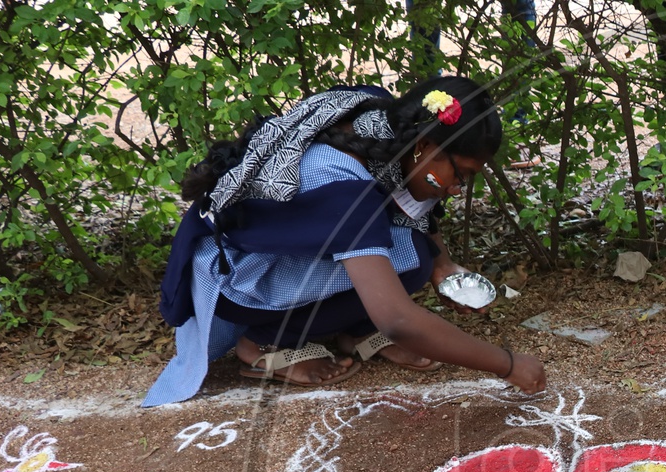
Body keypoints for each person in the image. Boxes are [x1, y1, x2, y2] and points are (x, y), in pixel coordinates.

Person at [149, 75, 544, 406]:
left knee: (419, 257)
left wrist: (444, 266)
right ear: (425, 146)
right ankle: (262, 343)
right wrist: (507, 364)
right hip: (234, 279)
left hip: (265, 248)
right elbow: (398, 318)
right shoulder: (344, 187)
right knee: (401, 273)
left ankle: (355, 330)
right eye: (460, 174)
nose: (457, 189)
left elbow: (413, 209)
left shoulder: (382, 115)